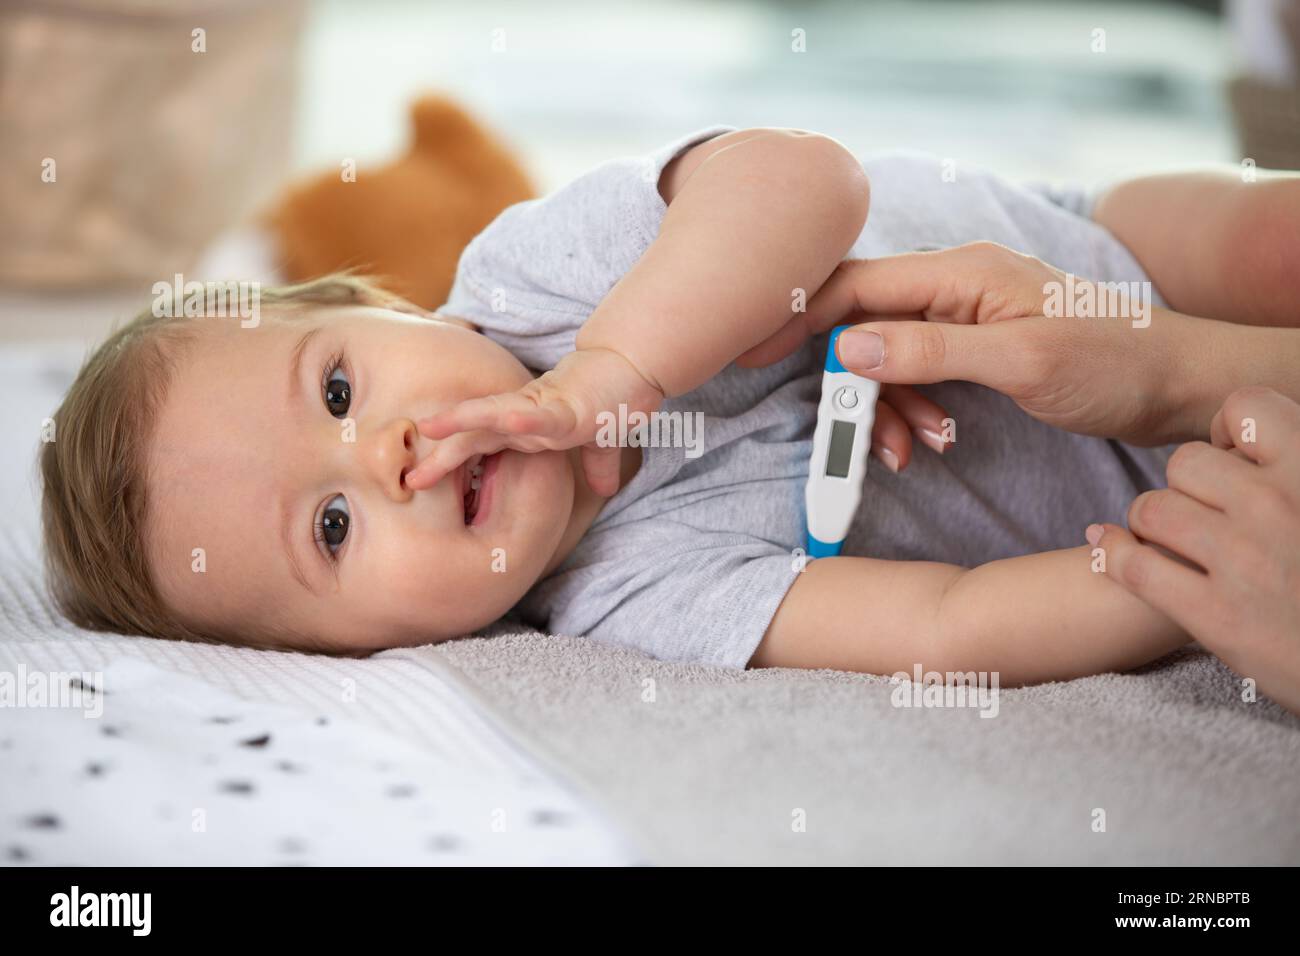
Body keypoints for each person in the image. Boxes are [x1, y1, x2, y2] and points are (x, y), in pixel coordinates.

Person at [738, 201, 1300, 711]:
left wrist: (645, 361)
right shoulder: (654, 576)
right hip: (1188, 483)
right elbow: (947, 626)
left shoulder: (655, 235)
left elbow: (816, 178)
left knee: (1280, 249)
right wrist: (1184, 565)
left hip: (1088, 248)